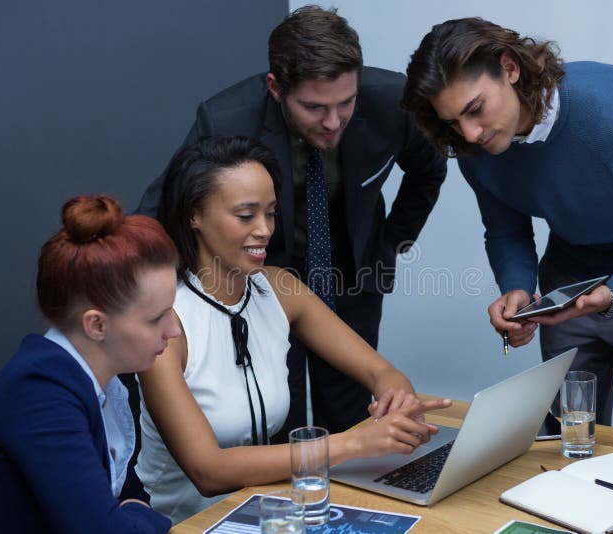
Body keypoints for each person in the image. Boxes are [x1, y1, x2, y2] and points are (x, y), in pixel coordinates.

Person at [401, 18, 613, 438]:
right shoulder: (473, 147)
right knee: (568, 444)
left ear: (510, 68)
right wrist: (518, 288)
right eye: (452, 122)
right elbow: (506, 230)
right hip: (568, 295)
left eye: (475, 109)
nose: (469, 133)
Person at [135, 5, 447, 436]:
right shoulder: (226, 120)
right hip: (265, 281)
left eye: (346, 102)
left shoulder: (395, 102)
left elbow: (429, 169)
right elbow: (161, 210)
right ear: (276, 89)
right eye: (315, 108)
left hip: (351, 277)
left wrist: (389, 246)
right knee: (280, 414)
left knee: (354, 413)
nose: (334, 122)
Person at [135, 136, 450, 524]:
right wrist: (354, 443)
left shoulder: (280, 288)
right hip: (184, 523)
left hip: (268, 512)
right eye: (246, 215)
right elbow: (209, 471)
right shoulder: (164, 322)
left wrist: (396, 404)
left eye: (271, 213)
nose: (265, 229)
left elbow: (380, 372)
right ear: (193, 215)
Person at [0, 196, 176, 532]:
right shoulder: (40, 392)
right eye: (157, 318)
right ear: (96, 325)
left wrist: (129, 512)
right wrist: (135, 515)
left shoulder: (96, 382)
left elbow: (130, 494)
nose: (172, 330)